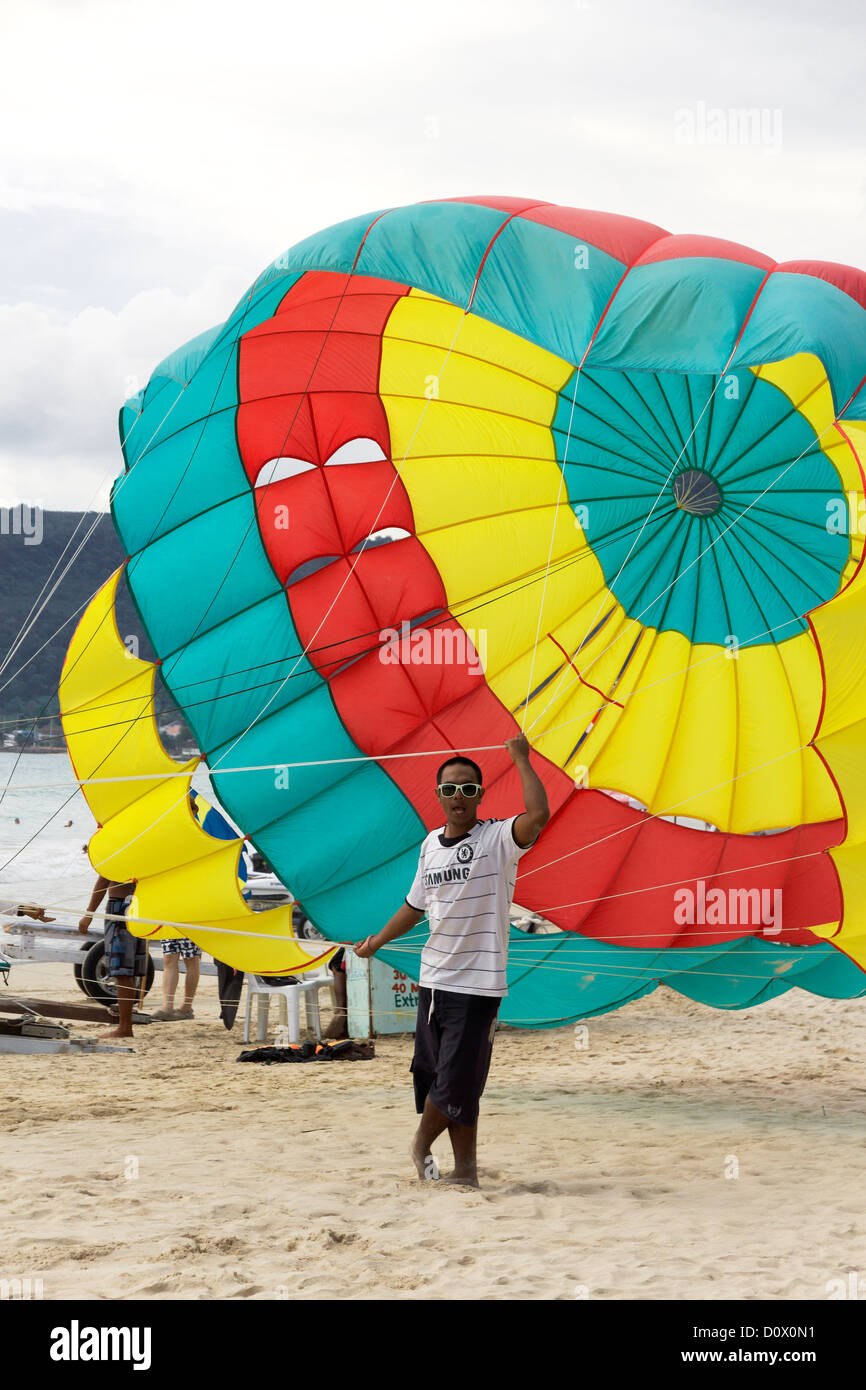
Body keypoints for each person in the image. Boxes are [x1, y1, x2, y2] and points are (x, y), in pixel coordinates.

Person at [354, 734, 549, 1187]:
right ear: (438, 795)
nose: (458, 797)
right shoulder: (428, 846)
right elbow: (414, 905)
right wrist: (378, 941)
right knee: (439, 1075)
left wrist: (520, 758)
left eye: (467, 789)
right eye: (449, 789)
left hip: (478, 986)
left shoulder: (499, 838)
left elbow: (538, 815)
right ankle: (465, 1173)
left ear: (480, 795)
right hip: (434, 980)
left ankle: (421, 1142)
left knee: (458, 1079)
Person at [79, 873, 144, 1040]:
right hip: (141, 907)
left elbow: (104, 878)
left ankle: (124, 1028)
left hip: (121, 907)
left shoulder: (120, 848)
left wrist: (89, 914)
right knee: (131, 969)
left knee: (122, 970)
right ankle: (125, 1024)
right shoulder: (144, 848)